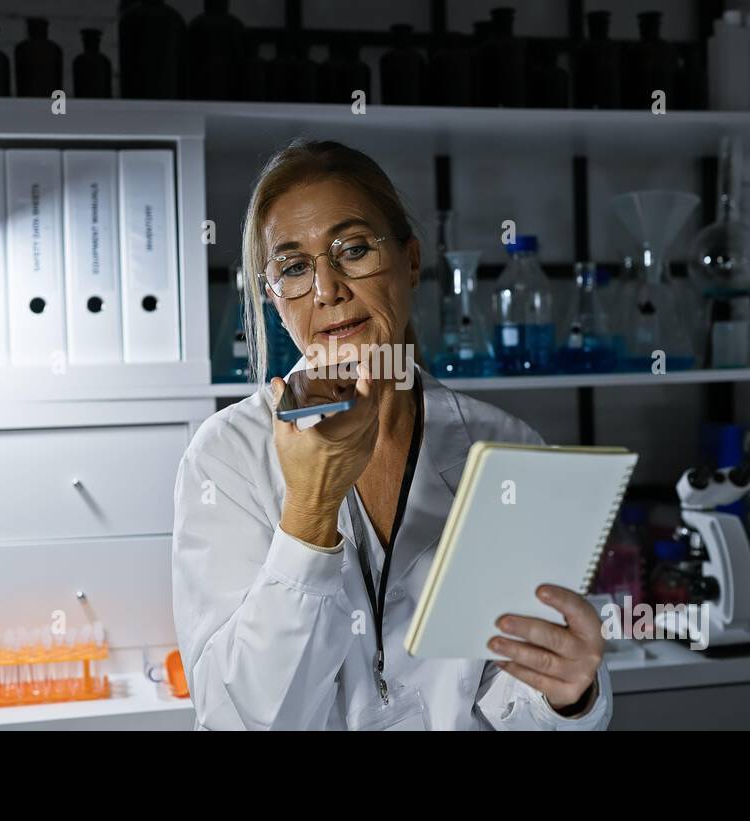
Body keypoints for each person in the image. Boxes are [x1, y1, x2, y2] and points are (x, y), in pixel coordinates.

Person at [171, 139, 611, 730]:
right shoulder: (226, 457)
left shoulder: (504, 447)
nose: (327, 289)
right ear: (274, 298)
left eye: (353, 250)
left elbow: (520, 694)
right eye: (295, 267)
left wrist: (568, 697)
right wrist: (309, 511)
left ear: (409, 261)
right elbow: (242, 720)